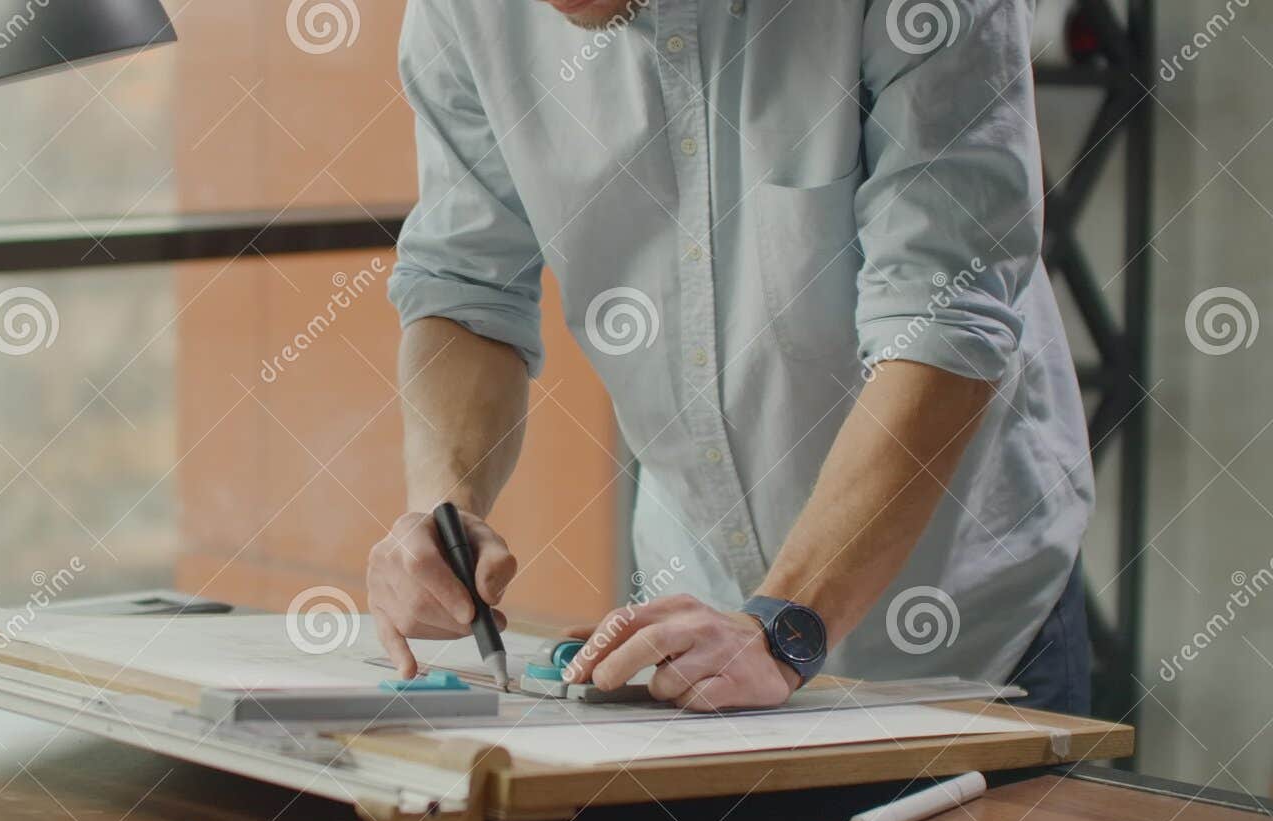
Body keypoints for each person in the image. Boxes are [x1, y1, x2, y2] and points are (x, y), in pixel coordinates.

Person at [366, 0, 1095, 714]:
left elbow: (940, 319)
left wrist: (784, 627)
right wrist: (444, 510)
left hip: (958, 626)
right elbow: (467, 286)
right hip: (702, 625)